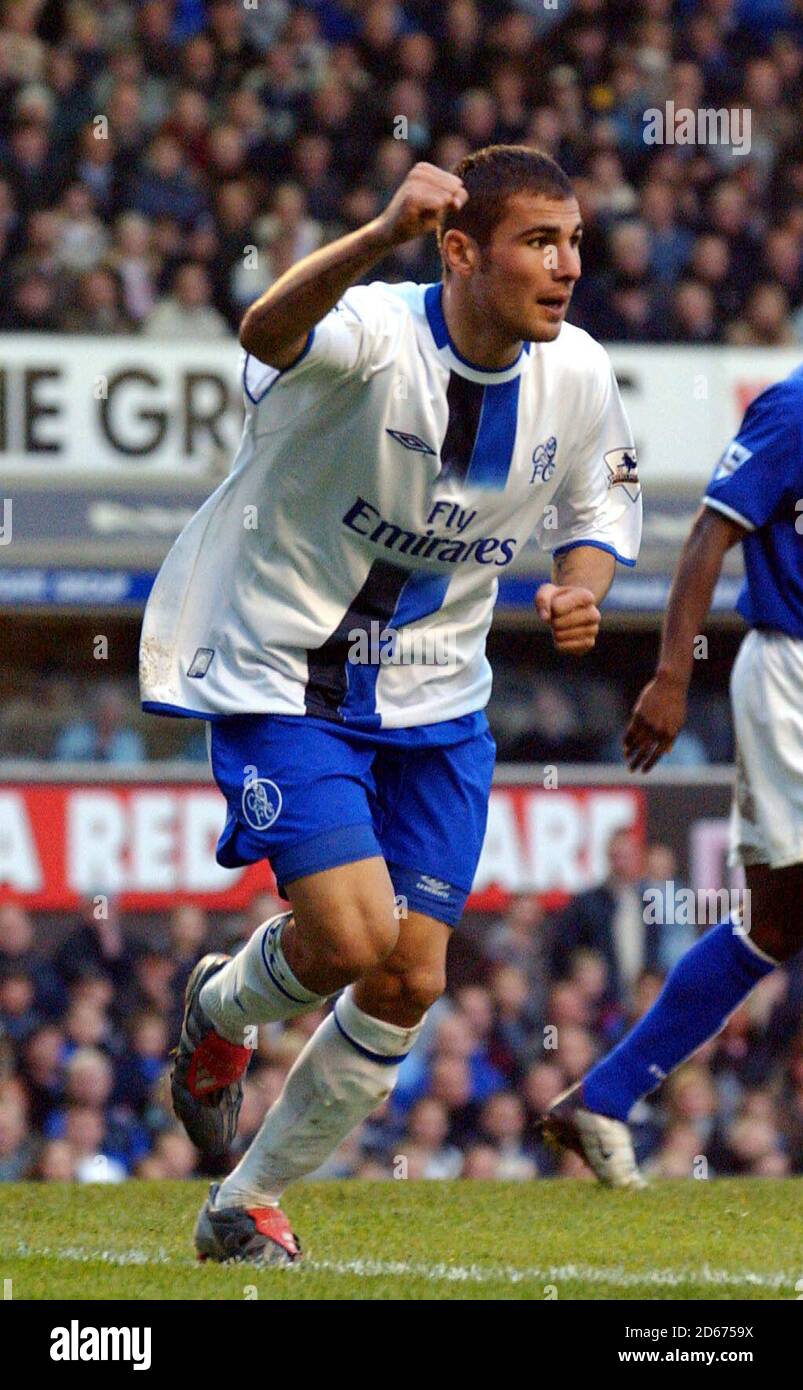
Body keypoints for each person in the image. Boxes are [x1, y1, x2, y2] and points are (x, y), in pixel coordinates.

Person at [139, 144, 642, 1263]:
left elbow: (599, 501)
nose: (565, 266)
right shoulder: (371, 332)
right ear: (458, 250)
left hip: (439, 694)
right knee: (351, 936)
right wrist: (374, 233)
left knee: (411, 974)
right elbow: (263, 333)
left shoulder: (577, 374)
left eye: (573, 243)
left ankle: (242, 1204)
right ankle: (217, 1015)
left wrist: (582, 588)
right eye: (537, 242)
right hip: (283, 671)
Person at [540, 364, 803, 1187]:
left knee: (775, 923)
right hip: (791, 674)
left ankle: (602, 1098)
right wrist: (670, 675)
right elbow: (708, 533)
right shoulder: (794, 406)